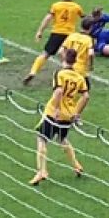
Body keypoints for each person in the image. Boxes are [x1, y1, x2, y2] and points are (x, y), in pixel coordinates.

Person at [29, 48, 89, 186]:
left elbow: (58, 92)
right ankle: (76, 165)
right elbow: (86, 96)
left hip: (54, 114)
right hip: (67, 115)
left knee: (41, 139)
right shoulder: (79, 77)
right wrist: (77, 113)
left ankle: (42, 171)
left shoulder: (60, 73)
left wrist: (56, 108)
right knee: (62, 139)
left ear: (64, 58)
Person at [24, 0, 85, 85]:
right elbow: (84, 18)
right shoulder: (76, 7)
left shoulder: (56, 6)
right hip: (70, 35)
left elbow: (47, 18)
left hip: (56, 33)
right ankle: (71, 76)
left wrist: (40, 31)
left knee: (45, 54)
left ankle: (33, 72)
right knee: (69, 57)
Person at [60, 17, 95, 86]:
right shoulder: (88, 39)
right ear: (91, 27)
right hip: (80, 69)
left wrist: (65, 61)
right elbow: (91, 54)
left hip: (67, 66)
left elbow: (61, 51)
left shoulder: (72, 36)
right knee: (85, 90)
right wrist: (91, 65)